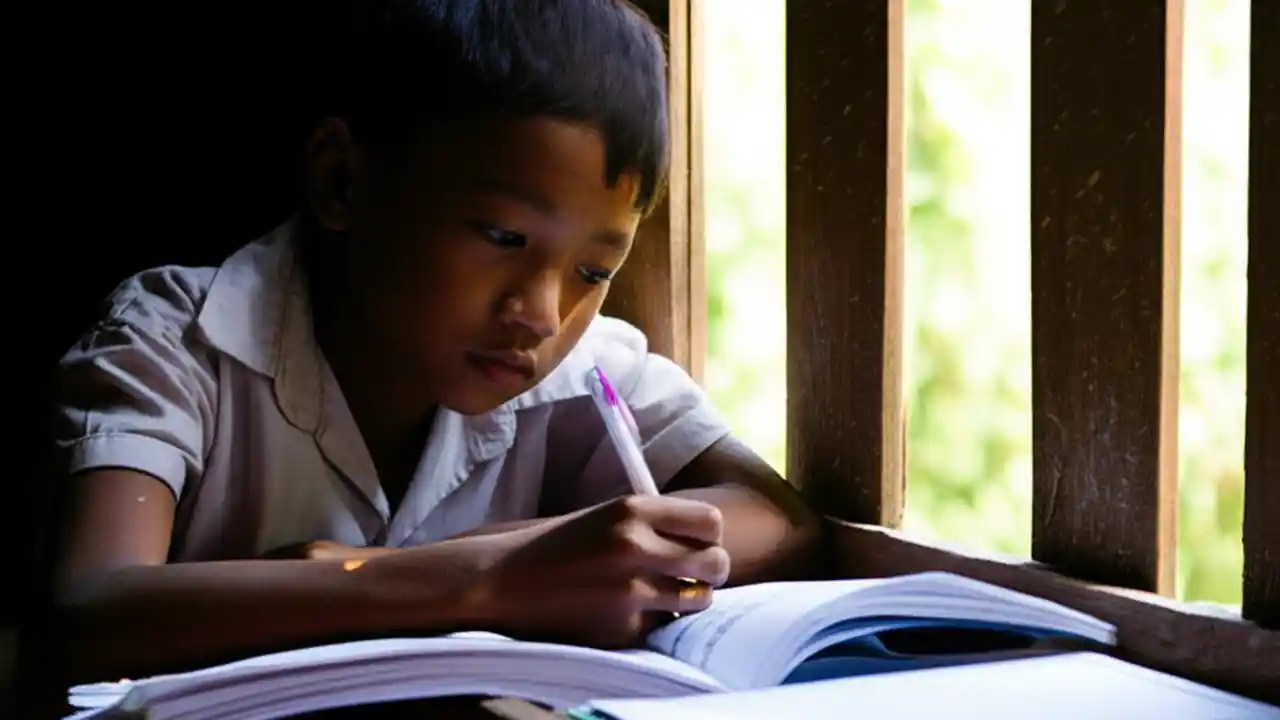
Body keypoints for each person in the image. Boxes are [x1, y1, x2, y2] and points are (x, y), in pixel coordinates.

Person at [47, 0, 819, 687]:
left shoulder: (579, 371)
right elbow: (89, 610)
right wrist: (480, 580)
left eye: (594, 268)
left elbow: (775, 517)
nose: (543, 312)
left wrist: (504, 555)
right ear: (344, 182)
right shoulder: (180, 339)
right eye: (501, 236)